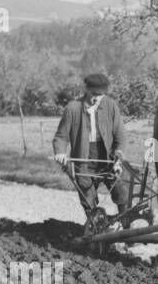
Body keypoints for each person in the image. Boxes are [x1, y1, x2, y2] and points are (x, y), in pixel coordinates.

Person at [53, 71, 130, 224]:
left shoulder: (110, 105)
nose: (97, 98)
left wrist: (119, 156)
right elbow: (61, 137)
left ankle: (126, 224)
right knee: (87, 196)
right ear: (85, 89)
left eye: (101, 95)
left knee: (121, 191)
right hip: (84, 160)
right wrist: (60, 153)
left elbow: (120, 135)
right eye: (94, 93)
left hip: (107, 158)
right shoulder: (73, 108)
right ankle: (97, 227)